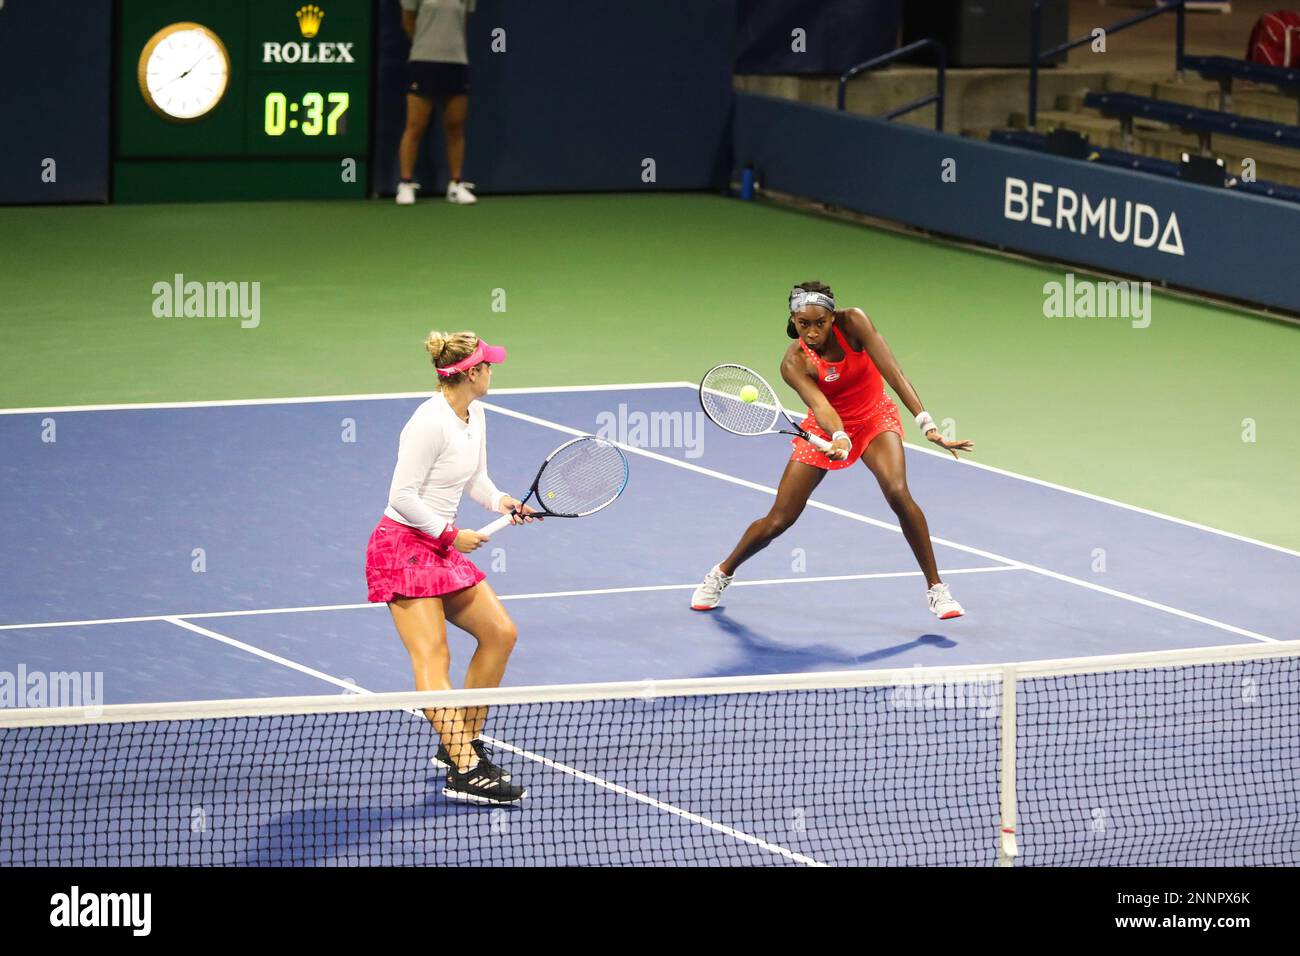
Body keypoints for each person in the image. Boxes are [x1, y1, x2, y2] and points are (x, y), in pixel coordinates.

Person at [691, 282, 974, 620]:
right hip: (825, 427)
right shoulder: (794, 363)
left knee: (898, 492)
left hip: (874, 417)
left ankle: (937, 589)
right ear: (793, 320)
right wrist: (838, 436)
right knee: (779, 519)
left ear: (832, 317)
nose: (812, 332)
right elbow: (820, 406)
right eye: (803, 324)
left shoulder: (854, 322)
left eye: (820, 323)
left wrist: (926, 424)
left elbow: (893, 372)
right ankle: (722, 572)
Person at [365, 331, 539, 804]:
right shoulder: (428, 422)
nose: (493, 372)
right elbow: (402, 496)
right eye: (489, 365)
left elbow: (475, 479)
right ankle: (466, 770)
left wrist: (503, 501)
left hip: (439, 546)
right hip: (403, 547)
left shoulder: (474, 414)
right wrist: (450, 535)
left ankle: (459, 743)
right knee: (433, 656)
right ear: (471, 372)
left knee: (500, 633)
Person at [396, 0, 478, 205]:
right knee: (415, 126)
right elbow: (407, 20)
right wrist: (425, 43)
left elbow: (464, 19)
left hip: (456, 62)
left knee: (455, 126)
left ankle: (455, 185)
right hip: (423, 62)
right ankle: (405, 184)